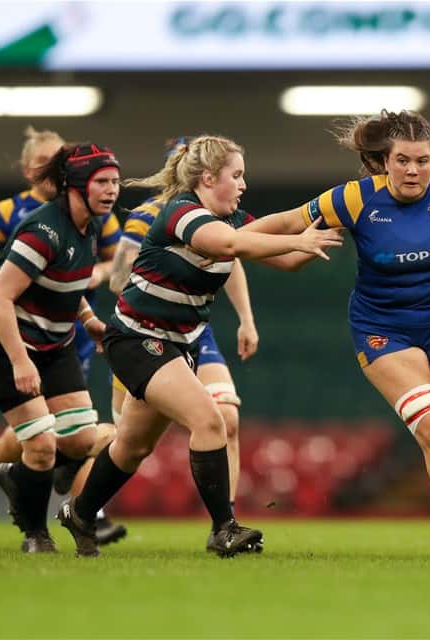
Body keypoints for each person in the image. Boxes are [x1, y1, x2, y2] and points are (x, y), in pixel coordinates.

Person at [236, 110, 430, 561]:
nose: (413, 170)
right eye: (402, 160)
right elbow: (281, 225)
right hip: (384, 333)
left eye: (422, 161)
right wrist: (228, 243)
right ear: (383, 162)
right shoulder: (352, 199)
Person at [56, 134, 343, 557]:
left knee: (132, 446)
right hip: (138, 339)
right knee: (210, 421)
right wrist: (297, 238)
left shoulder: (226, 218)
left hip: (175, 344)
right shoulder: (182, 212)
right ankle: (224, 528)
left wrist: (339, 217)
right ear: (208, 178)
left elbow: (285, 253)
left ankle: (79, 513)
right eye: (237, 175)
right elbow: (230, 246)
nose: (244, 184)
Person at [0, 126, 127, 545]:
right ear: (75, 185)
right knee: (40, 445)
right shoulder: (41, 231)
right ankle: (35, 533)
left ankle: (17, 477)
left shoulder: (89, 225)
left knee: (85, 440)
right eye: (102, 182)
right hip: (3, 343)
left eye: (115, 181)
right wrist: (20, 361)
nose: (112, 190)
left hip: (55, 340)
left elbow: (67, 282)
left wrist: (88, 319)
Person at [109, 139, 260, 540]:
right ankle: (70, 486)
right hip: (146, 328)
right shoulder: (150, 215)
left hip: (195, 331)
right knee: (126, 441)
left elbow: (234, 257)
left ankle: (224, 520)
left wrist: (246, 319)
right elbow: (118, 280)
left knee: (224, 416)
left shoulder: (222, 217)